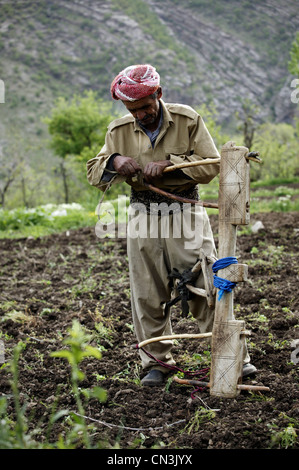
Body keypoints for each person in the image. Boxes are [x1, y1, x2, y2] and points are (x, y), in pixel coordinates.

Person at [87, 64, 256, 386]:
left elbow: (210, 167)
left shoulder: (188, 119)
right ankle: (157, 363)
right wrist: (114, 162)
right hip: (142, 217)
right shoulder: (118, 130)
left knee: (207, 285)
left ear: (158, 95)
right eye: (133, 109)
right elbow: (94, 172)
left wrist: (169, 165)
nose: (140, 114)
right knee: (147, 292)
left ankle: (234, 358)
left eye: (145, 107)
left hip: (185, 212)